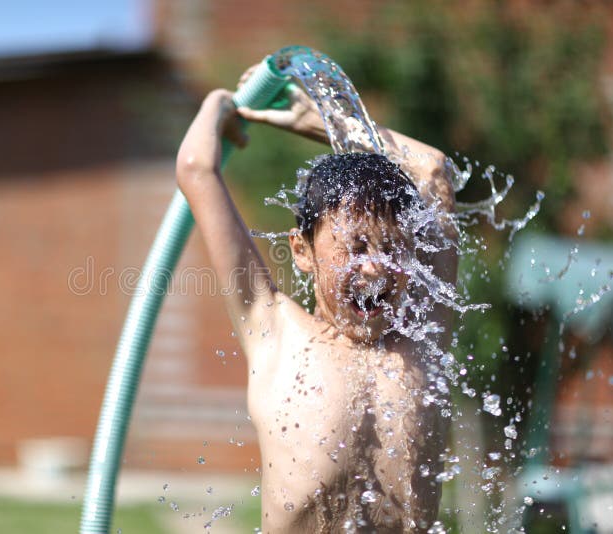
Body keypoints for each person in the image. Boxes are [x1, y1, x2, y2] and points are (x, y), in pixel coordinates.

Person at [176, 77, 457, 533]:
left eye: (392, 248)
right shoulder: (273, 330)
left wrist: (319, 120)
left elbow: (433, 171)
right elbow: (195, 168)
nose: (375, 269)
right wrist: (220, 104)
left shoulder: (425, 334)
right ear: (302, 252)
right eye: (356, 246)